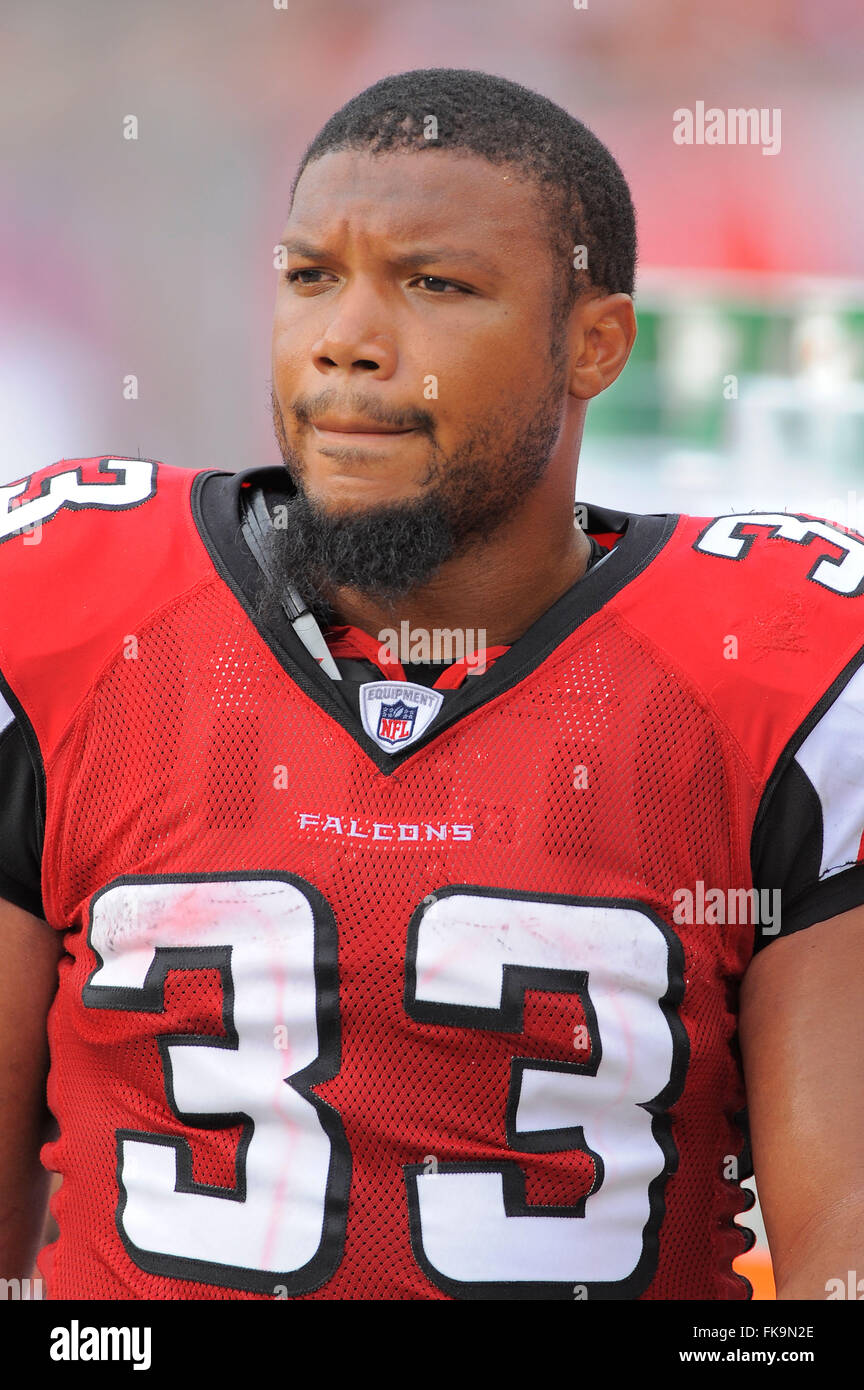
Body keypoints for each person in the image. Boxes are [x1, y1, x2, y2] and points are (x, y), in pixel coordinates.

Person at [1, 68, 862, 1301]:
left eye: (434, 285)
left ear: (596, 343)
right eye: (310, 277)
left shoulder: (773, 671)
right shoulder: (71, 609)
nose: (344, 338)